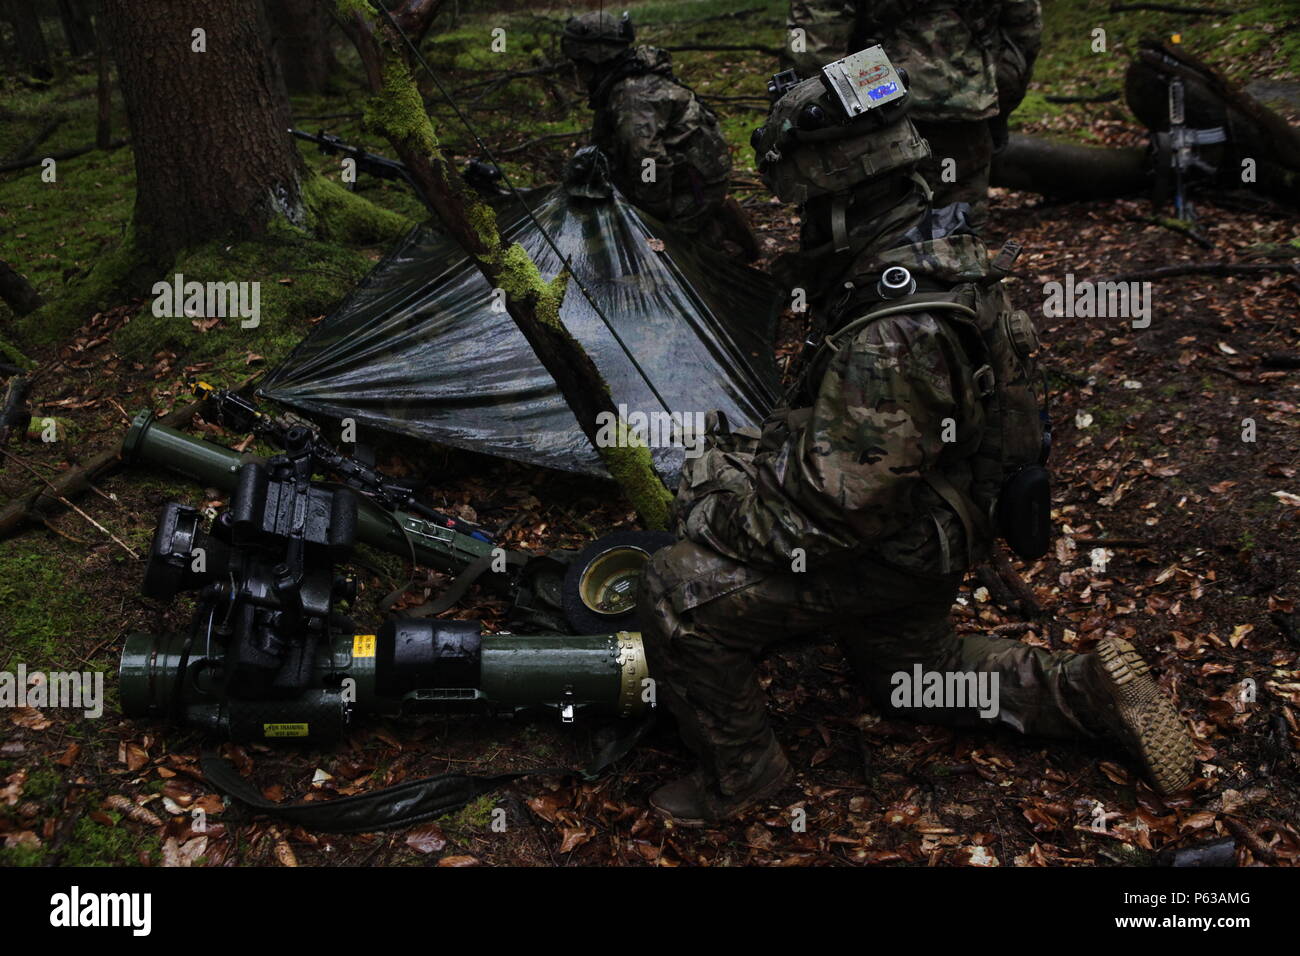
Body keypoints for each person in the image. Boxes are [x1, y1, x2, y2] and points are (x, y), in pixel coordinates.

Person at [638, 53, 1195, 827]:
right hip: (939, 519)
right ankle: (1082, 693)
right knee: (911, 676)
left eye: (805, 204)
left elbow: (829, 517)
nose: (797, 221)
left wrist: (708, 498)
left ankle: (745, 779)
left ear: (840, 194)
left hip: (895, 539)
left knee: (677, 596)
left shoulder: (893, 324)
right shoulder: (940, 248)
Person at [782, 0, 1042, 231]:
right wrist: (995, 100)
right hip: (961, 108)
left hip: (870, 108)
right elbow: (1024, 31)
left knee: (863, 239)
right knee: (956, 239)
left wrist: (817, 128)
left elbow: (814, 45)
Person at [561, 11, 759, 258]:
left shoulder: (631, 97)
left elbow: (648, 162)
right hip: (684, 169)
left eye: (579, 63)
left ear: (592, 58)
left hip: (696, 183)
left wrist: (651, 217)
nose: (576, 71)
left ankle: (720, 235)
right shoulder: (620, 80)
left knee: (663, 251)